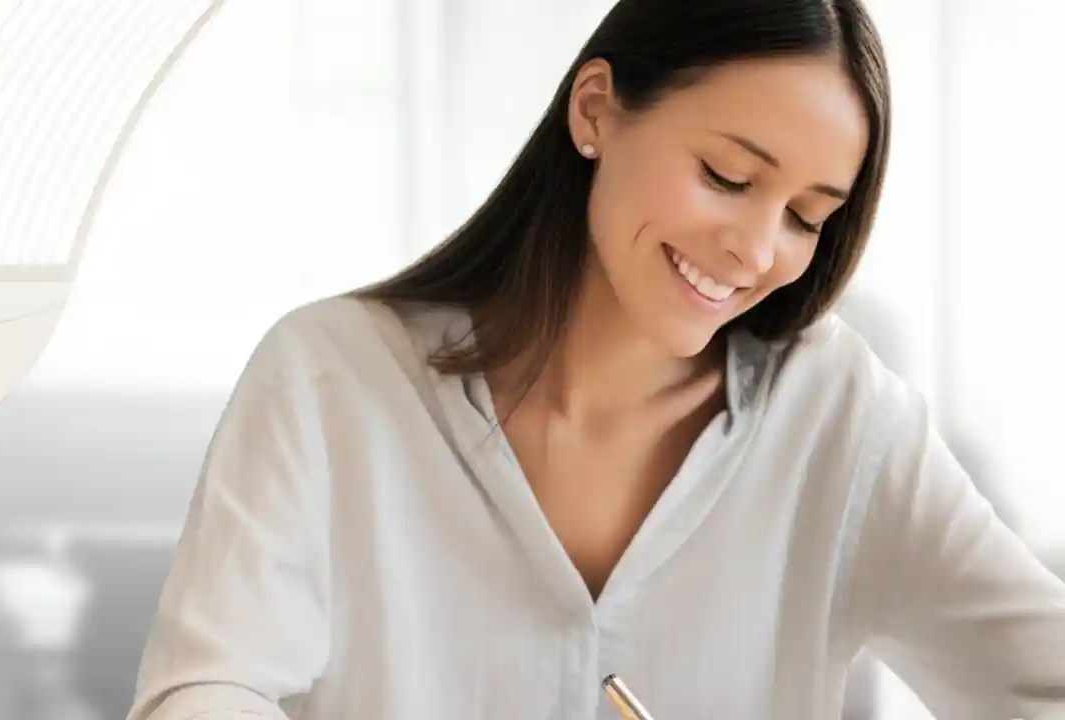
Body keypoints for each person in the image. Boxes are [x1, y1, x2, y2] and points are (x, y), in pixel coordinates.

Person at [126, 1, 1065, 718]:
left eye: (806, 217)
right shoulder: (329, 380)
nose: (755, 248)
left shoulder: (842, 418)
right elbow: (209, 688)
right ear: (596, 112)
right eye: (728, 178)